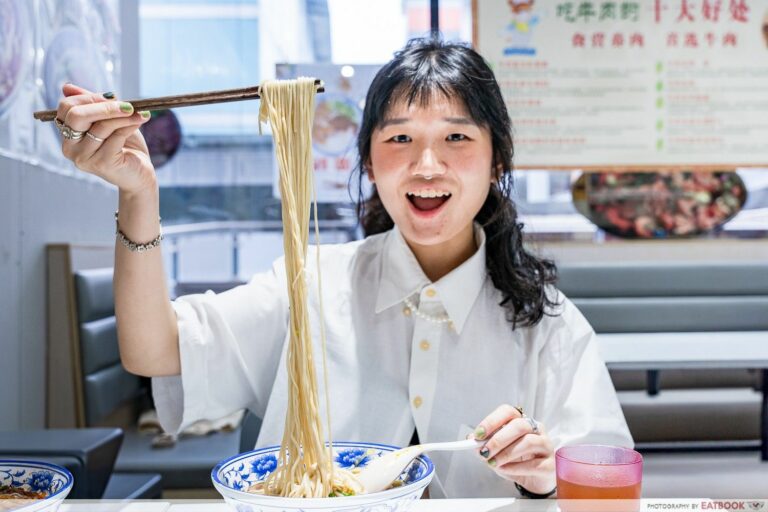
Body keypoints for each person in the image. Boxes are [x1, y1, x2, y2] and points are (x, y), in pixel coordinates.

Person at [55, 37, 632, 499]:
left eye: (456, 137)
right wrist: (138, 196)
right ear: (369, 162)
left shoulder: (545, 324)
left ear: (497, 159)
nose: (426, 166)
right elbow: (154, 351)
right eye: (400, 138)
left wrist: (544, 478)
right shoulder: (310, 282)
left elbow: (604, 480)